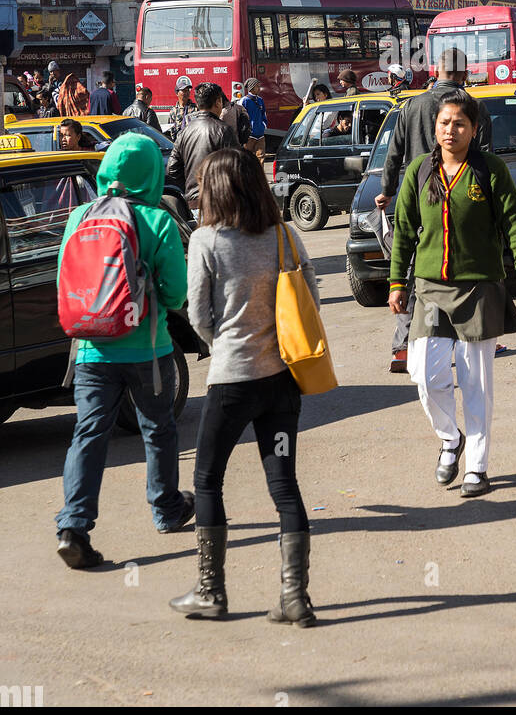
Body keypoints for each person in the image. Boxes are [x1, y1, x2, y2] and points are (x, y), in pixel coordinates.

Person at [172, 149, 319, 622]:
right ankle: (295, 596)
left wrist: (226, 345)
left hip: (232, 383)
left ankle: (211, 592)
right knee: (285, 487)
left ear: (214, 190)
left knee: (207, 480)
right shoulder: (284, 236)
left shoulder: (206, 241)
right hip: (282, 382)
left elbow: (198, 315)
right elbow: (310, 300)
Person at [389, 90, 516, 497]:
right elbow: (403, 230)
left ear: (474, 129)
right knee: (423, 372)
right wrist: (397, 282)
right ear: (434, 127)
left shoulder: (489, 170)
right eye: (444, 123)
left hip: (478, 287)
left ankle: (478, 467)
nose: (450, 130)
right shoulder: (420, 171)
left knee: (476, 382)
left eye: (459, 123)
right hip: (431, 289)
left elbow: (513, 222)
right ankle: (450, 438)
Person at [55, 134, 194, 569]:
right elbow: (175, 295)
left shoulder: (79, 215)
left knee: (89, 433)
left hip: (92, 350)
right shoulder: (157, 221)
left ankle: (73, 526)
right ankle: (167, 509)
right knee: (158, 427)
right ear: (151, 173)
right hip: (147, 351)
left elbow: (64, 277)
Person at [376, 48, 492, 374]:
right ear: (464, 74)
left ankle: (403, 348)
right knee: (464, 269)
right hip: (456, 200)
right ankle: (471, 335)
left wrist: (386, 191)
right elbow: (483, 160)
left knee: (412, 270)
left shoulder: (411, 104)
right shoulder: (472, 108)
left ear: (436, 71)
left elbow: (393, 153)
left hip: (413, 198)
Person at [165, 82, 240, 217]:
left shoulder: (184, 132)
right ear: (218, 102)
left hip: (194, 204)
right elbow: (236, 169)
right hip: (219, 201)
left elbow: (171, 169)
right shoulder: (224, 130)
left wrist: (189, 187)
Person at [241, 77, 268, 161]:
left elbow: (264, 114)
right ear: (251, 88)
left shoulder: (260, 100)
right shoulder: (244, 101)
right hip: (249, 136)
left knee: (261, 158)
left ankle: (260, 174)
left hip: (260, 135)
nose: (259, 88)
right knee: (247, 159)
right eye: (257, 86)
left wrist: (263, 125)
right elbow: (241, 117)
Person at [166, 77, 196, 142]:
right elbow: (171, 130)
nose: (187, 93)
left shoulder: (195, 109)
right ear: (177, 93)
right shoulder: (173, 111)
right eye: (184, 91)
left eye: (188, 90)